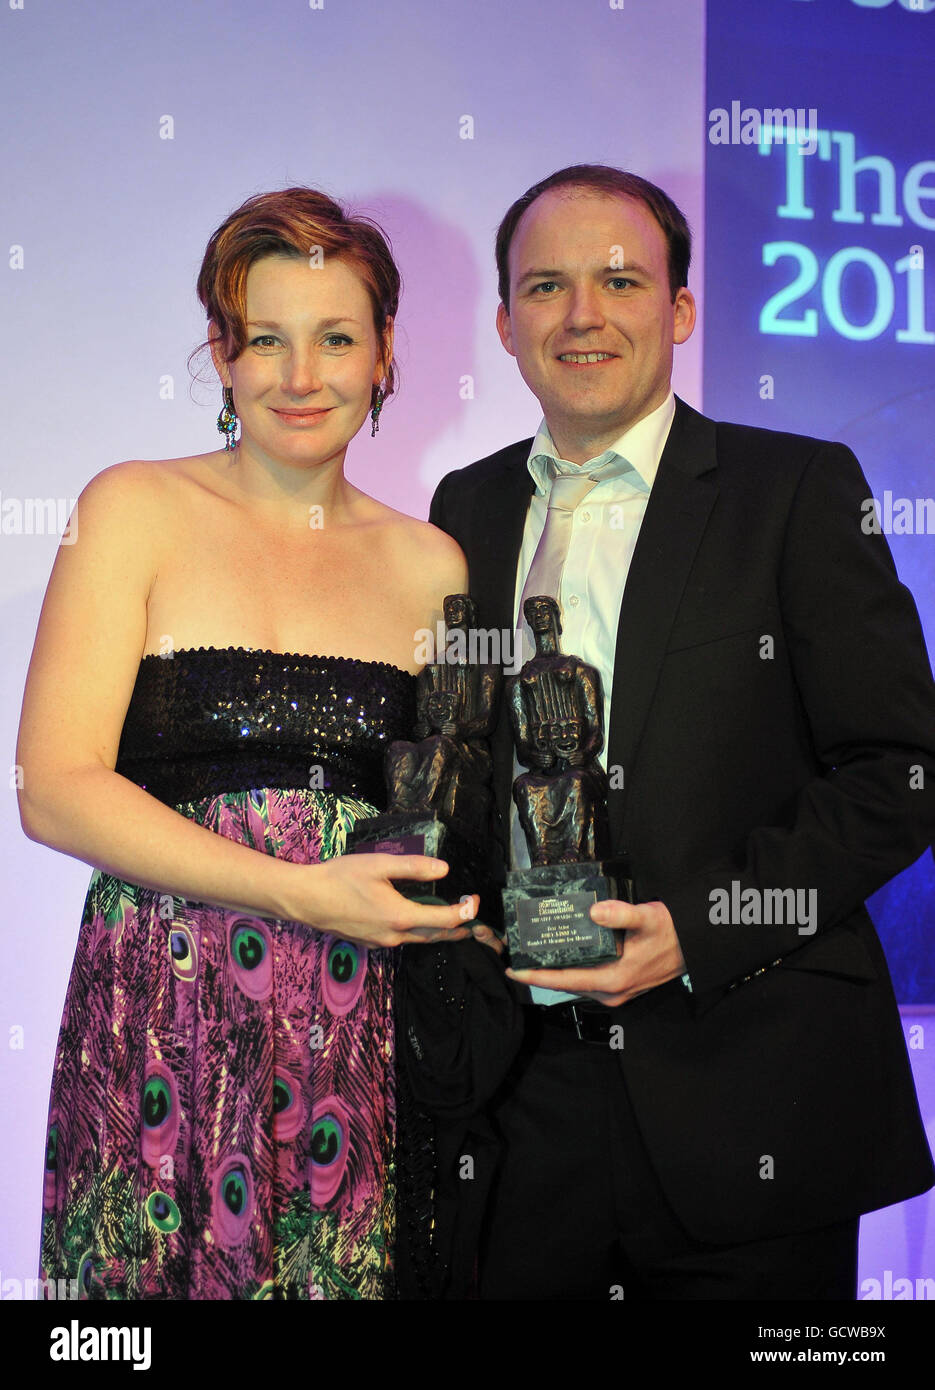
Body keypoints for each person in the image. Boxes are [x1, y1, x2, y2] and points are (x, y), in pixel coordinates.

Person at [426, 164, 935, 1299]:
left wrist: (699, 931)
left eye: (620, 279)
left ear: (681, 310)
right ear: (504, 324)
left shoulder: (794, 488)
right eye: (546, 286)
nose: (583, 313)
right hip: (518, 1102)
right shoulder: (463, 508)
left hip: (746, 1081)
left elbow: (900, 773)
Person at [17, 187, 481, 1300]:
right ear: (220, 358)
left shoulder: (433, 566)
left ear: (383, 359)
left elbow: (449, 816)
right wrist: (297, 890)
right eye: (262, 340)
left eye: (334, 338)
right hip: (158, 1021)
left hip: (350, 1032)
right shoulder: (131, 507)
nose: (299, 374)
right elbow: (55, 789)